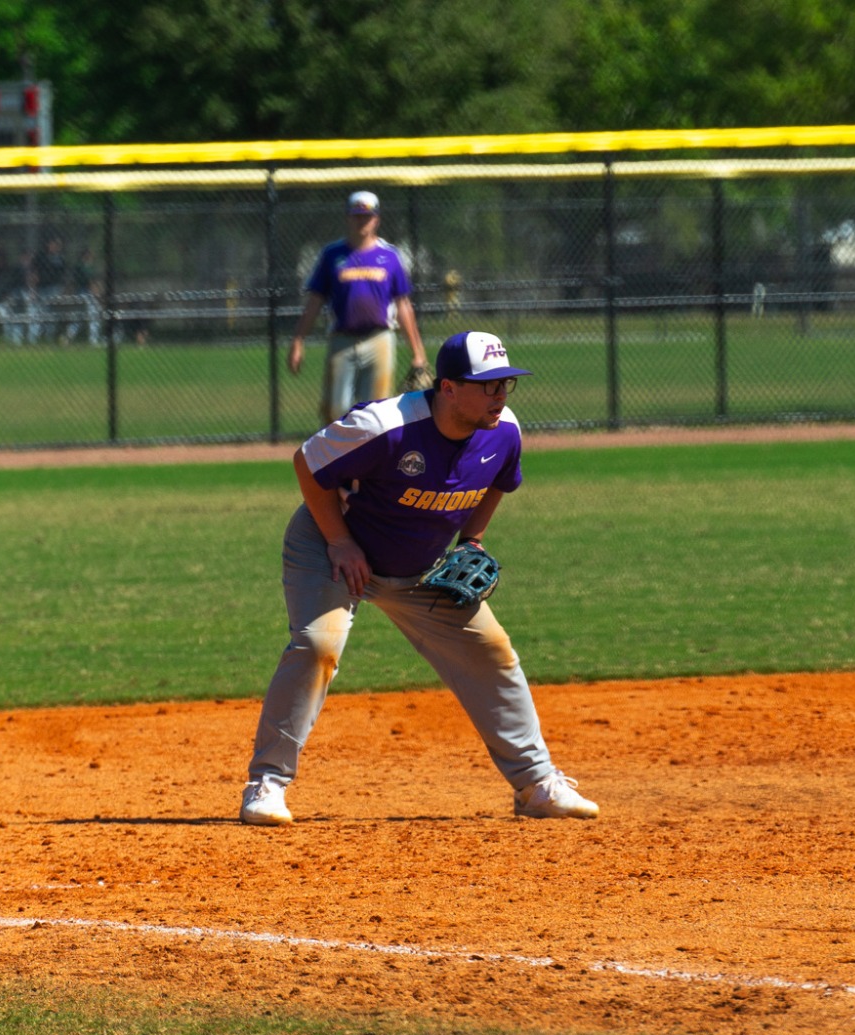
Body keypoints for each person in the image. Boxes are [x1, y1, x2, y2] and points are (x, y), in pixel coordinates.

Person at [239, 330, 598, 826]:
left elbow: (499, 482)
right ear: (448, 387)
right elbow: (308, 462)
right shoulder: (385, 425)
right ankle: (267, 784)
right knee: (318, 646)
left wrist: (472, 540)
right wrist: (340, 542)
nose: (499, 395)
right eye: (487, 385)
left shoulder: (504, 431)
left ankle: (536, 784)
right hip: (333, 550)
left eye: (505, 384)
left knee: (492, 651)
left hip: (422, 567)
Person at [288, 190, 427, 424]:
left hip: (379, 339)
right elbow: (315, 301)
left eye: (367, 216)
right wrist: (298, 341)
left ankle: (373, 459)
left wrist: (418, 352)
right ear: (348, 218)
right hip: (342, 340)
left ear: (377, 219)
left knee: (378, 412)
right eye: (357, 216)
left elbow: (403, 305)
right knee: (335, 409)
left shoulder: (389, 256)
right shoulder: (332, 255)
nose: (362, 221)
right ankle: (335, 459)